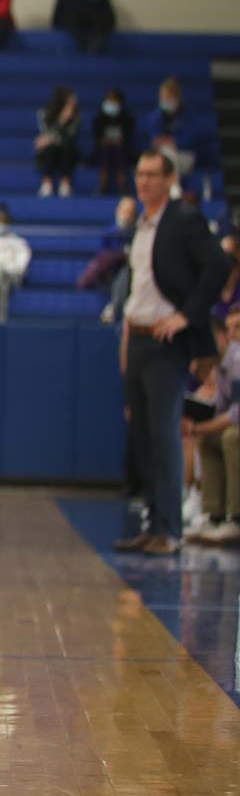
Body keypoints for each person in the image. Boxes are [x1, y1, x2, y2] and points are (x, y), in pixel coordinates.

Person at [115, 152, 233, 556]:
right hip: (140, 337)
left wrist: (188, 315)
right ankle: (153, 522)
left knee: (165, 434)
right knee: (142, 436)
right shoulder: (141, 226)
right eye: (139, 173)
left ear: (169, 179)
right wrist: (127, 342)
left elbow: (219, 263)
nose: (143, 181)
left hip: (167, 344)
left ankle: (170, 530)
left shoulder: (183, 219)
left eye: (152, 174)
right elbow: (139, 289)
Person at [185, 309, 240, 545]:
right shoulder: (221, 367)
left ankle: (235, 518)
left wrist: (198, 428)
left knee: (230, 437)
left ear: (221, 339)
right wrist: (194, 423)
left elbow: (236, 415)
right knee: (210, 440)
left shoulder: (237, 361)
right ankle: (214, 514)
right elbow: (220, 408)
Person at [143, 77, 197, 185]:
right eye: (164, 97)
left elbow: (189, 139)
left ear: (177, 98)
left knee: (168, 154)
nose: (166, 100)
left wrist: (173, 141)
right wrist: (167, 142)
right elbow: (155, 139)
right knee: (165, 153)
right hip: (161, 155)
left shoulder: (187, 116)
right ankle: (174, 189)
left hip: (184, 156)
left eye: (169, 97)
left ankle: (171, 188)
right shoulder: (155, 116)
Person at [34, 87, 81, 197]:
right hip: (50, 148)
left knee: (67, 149)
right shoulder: (45, 113)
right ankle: (47, 184)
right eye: (71, 101)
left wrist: (51, 139)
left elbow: (71, 136)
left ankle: (65, 184)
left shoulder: (76, 117)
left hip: (67, 147)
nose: (73, 104)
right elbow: (44, 133)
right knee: (49, 150)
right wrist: (61, 120)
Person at [93, 87, 135, 196]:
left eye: (114, 101)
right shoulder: (99, 118)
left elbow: (128, 137)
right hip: (104, 148)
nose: (111, 103)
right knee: (105, 152)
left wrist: (119, 141)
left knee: (121, 153)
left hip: (122, 148)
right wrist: (104, 141)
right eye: (109, 100)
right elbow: (97, 137)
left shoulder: (127, 118)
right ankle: (103, 185)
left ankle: (122, 186)